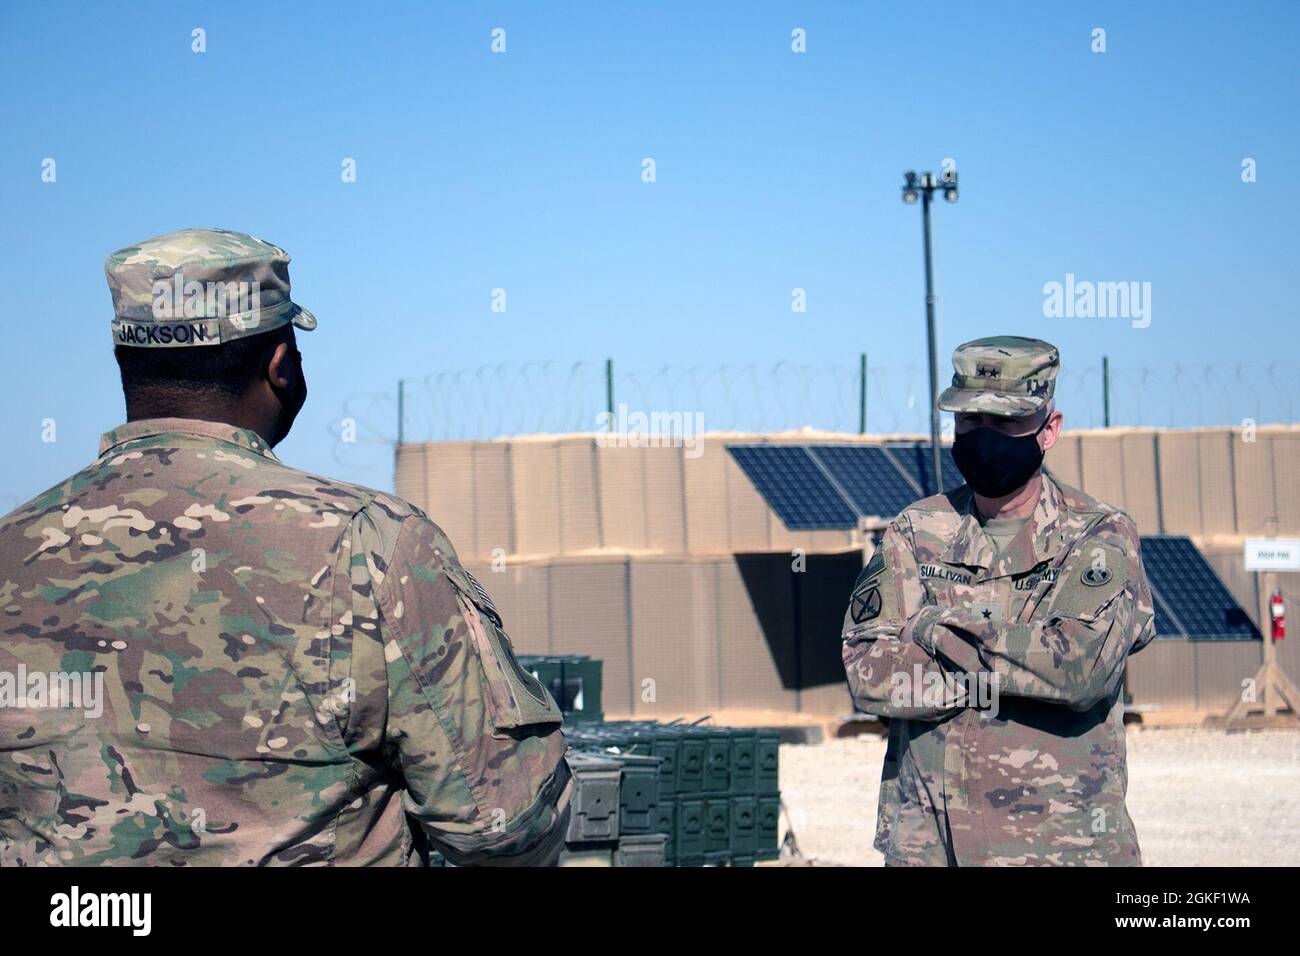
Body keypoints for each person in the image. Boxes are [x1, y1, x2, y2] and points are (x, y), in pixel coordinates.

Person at [0, 227, 571, 866]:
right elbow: (501, 825)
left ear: (126, 364)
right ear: (281, 365)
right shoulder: (370, 543)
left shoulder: (10, 547)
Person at [841, 336, 1156, 866]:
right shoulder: (916, 531)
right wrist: (1016, 664)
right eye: (969, 422)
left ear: (1048, 429)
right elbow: (866, 670)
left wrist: (933, 629)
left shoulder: (1097, 535)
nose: (984, 439)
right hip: (932, 846)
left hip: (1060, 847)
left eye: (1005, 423)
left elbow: (1078, 668)